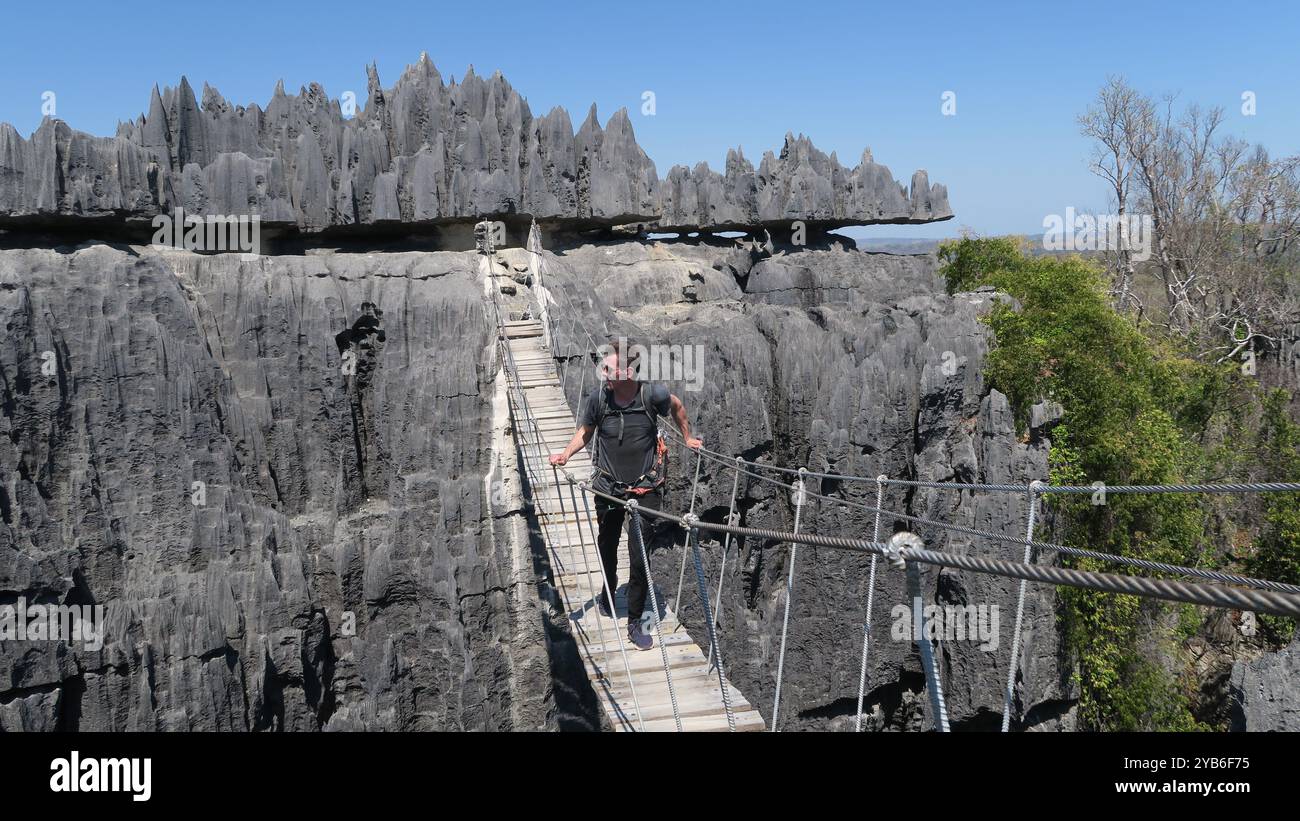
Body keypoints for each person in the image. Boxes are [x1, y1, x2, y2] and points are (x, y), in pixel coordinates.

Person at [549, 338, 702, 650]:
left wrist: (687, 438)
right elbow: (585, 432)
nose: (604, 369)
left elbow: (677, 406)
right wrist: (566, 453)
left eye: (611, 366)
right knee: (606, 544)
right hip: (608, 487)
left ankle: (635, 620)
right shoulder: (598, 399)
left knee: (639, 555)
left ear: (630, 371)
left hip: (646, 488)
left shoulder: (651, 394)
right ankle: (608, 589)